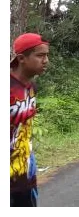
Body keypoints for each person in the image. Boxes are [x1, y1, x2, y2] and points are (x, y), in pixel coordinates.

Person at [10, 32, 49, 207]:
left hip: (25, 168)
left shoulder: (31, 87)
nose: (46, 60)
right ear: (21, 58)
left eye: (47, 55)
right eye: (40, 55)